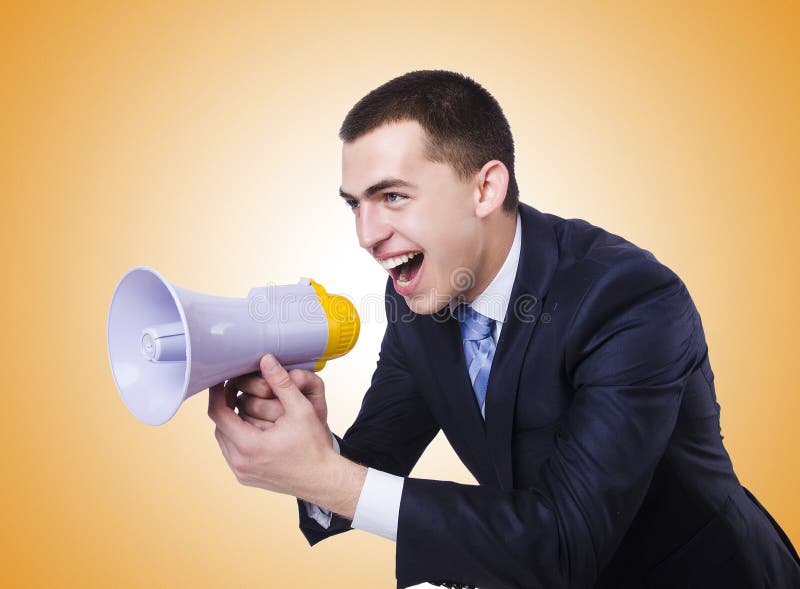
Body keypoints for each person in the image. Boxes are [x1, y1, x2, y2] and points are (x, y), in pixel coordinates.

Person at [208, 70, 800, 588]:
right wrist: (316, 449)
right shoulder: (417, 303)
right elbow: (369, 468)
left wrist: (331, 478)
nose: (366, 235)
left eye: (392, 196)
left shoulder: (630, 300)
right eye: (355, 204)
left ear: (485, 188)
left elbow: (566, 543)